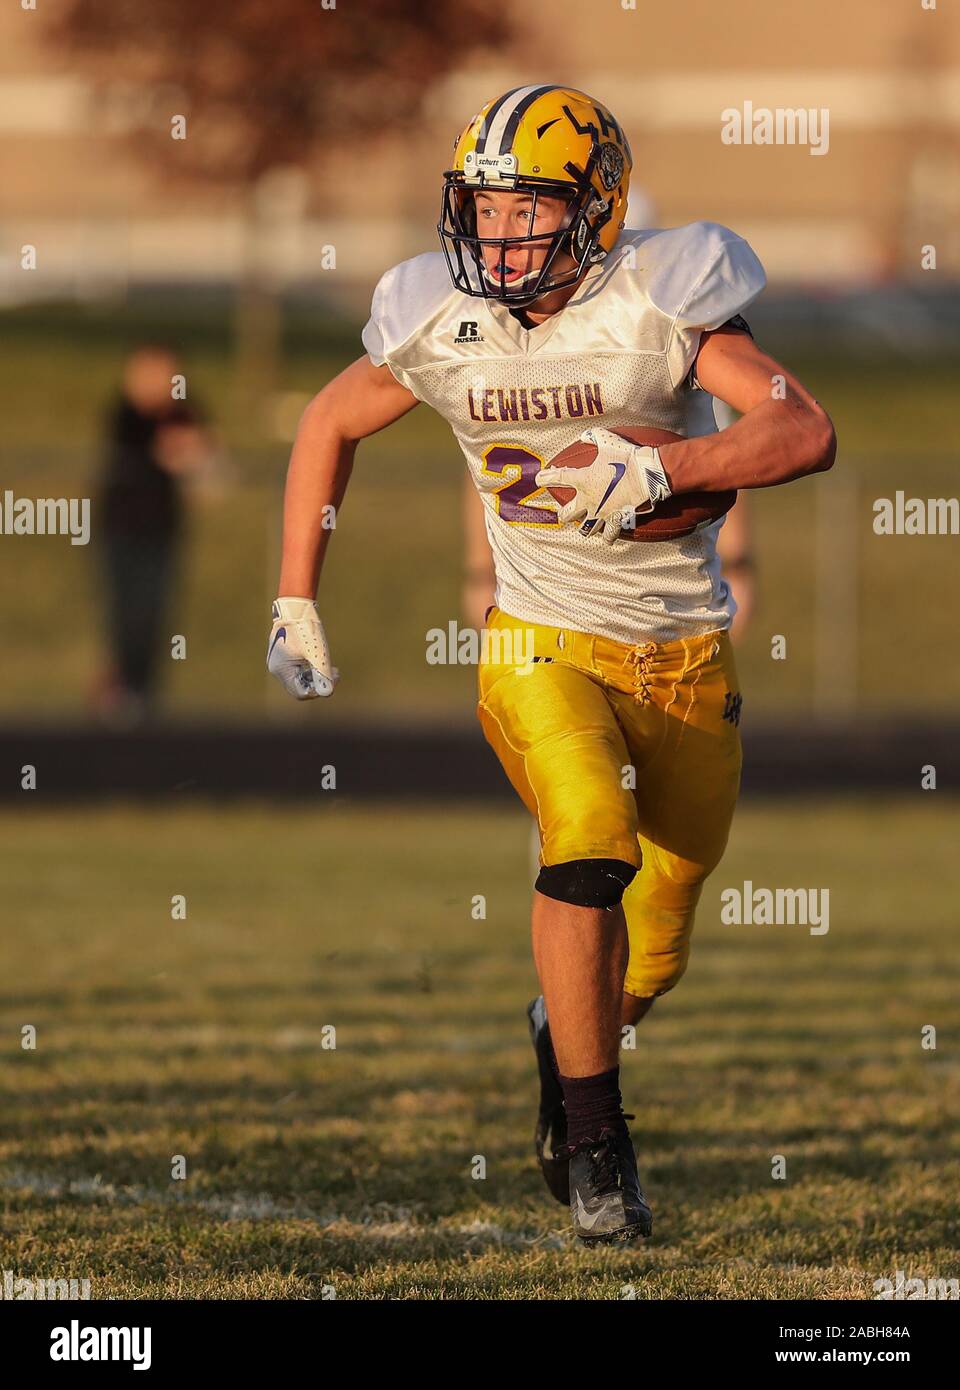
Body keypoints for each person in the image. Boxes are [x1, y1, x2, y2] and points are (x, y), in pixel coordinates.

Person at [267, 85, 835, 1246]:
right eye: (483, 210)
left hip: (680, 657)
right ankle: (596, 1147)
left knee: (661, 940)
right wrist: (294, 594)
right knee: (586, 838)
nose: (496, 236)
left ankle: (563, 1029)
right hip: (535, 639)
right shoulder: (436, 317)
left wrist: (670, 472)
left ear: (597, 210)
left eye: (528, 211)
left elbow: (802, 429)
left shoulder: (660, 298)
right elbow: (327, 420)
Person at [95, 345, 216, 724]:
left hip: (162, 532)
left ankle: (141, 701)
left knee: (153, 618)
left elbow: (206, 465)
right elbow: (170, 452)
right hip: (120, 532)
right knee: (126, 620)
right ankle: (117, 695)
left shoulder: (184, 411)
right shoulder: (125, 415)